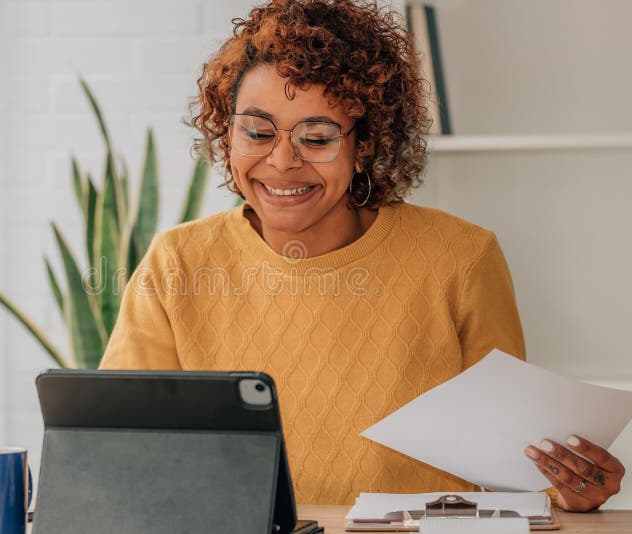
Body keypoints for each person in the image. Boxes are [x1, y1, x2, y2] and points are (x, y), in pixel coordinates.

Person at [99, 0, 624, 510]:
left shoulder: (461, 258)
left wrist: (570, 487)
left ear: (365, 145)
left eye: (318, 136)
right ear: (227, 133)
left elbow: (518, 461)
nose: (282, 161)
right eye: (257, 132)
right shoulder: (178, 264)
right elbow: (114, 451)